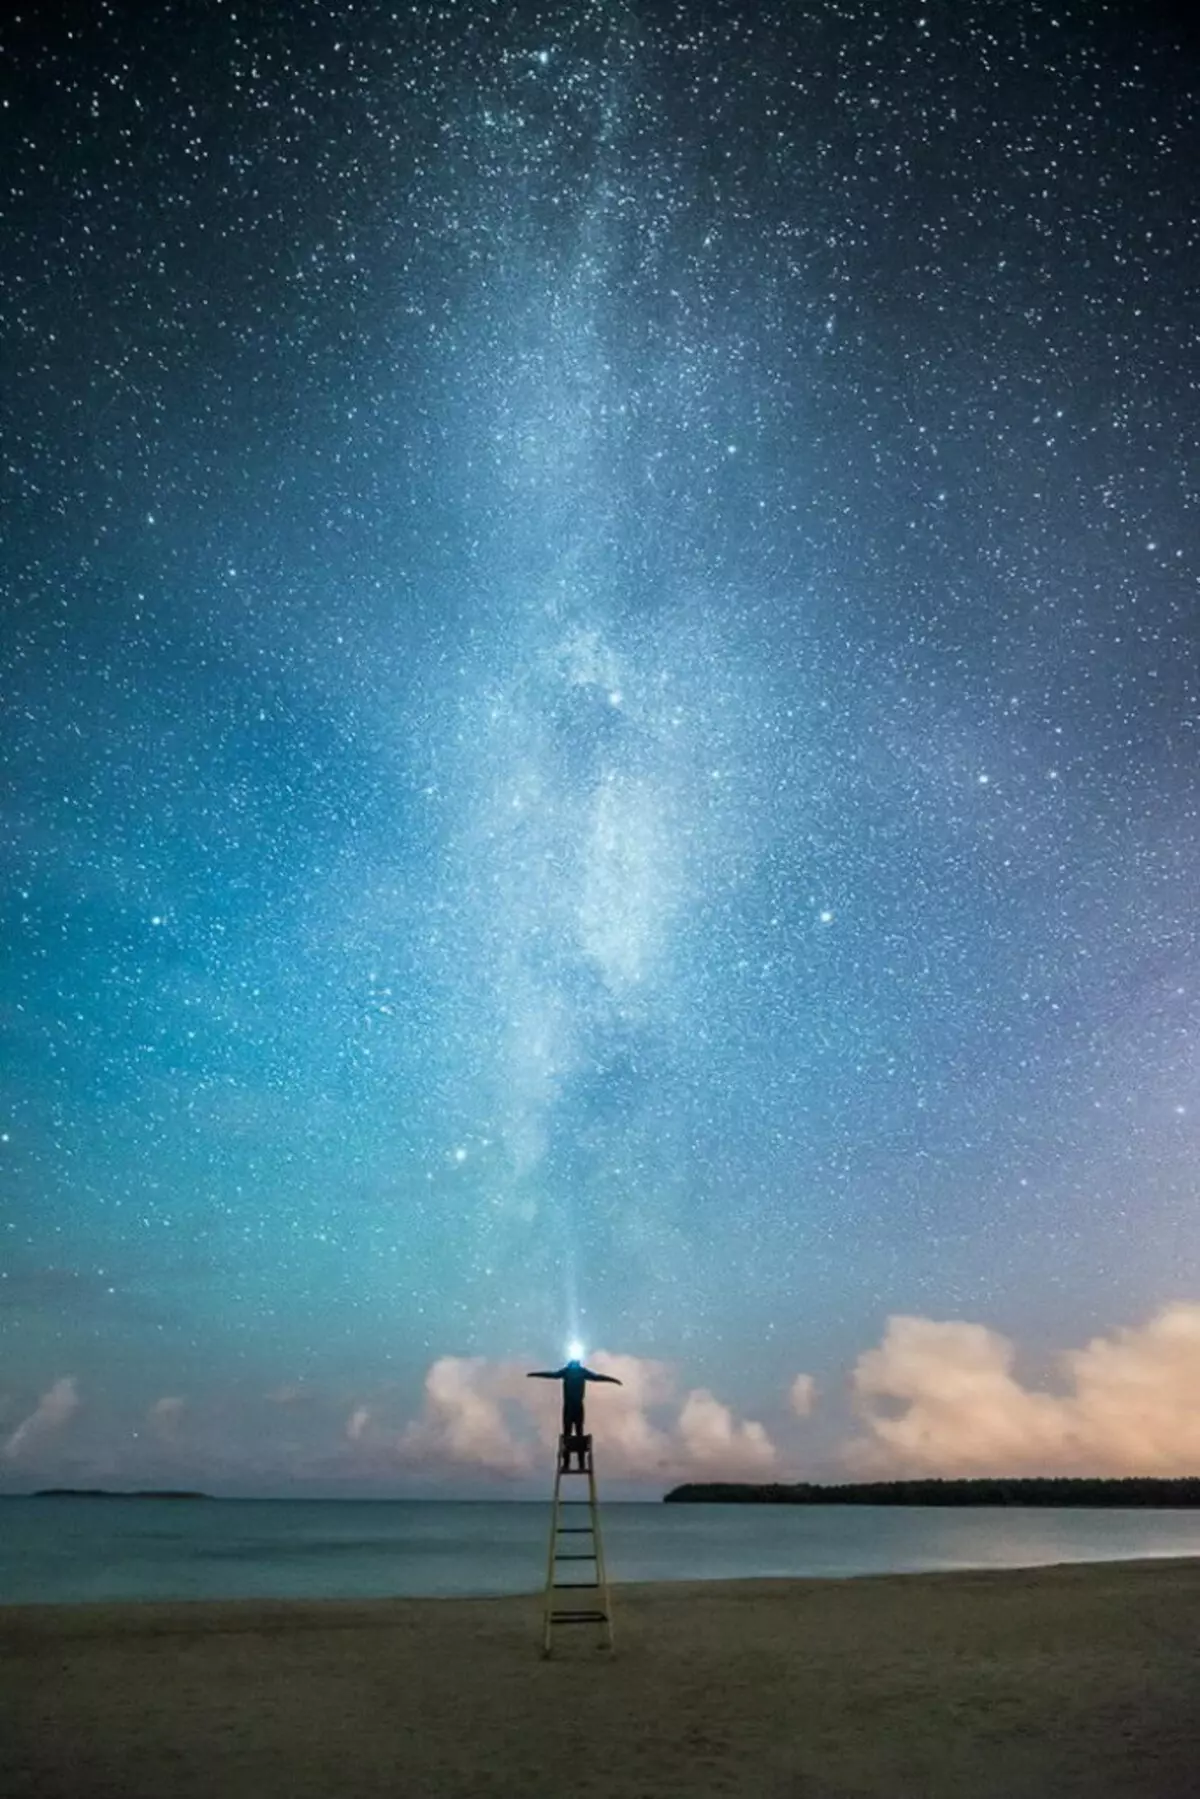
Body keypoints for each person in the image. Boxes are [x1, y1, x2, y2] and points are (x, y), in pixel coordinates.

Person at [527, 1358, 622, 1469]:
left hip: (572, 1408)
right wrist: (534, 1374)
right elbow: (596, 1377)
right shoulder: (577, 1371)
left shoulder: (570, 1371)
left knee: (574, 1434)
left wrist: (613, 1380)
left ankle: (573, 1464)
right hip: (574, 1408)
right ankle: (574, 1464)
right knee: (574, 1434)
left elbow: (553, 1375)